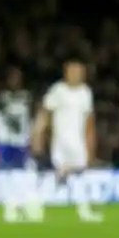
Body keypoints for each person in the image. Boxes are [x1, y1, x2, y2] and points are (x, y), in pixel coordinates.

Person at [32, 59, 102, 222]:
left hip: (79, 143)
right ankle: (37, 205)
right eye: (73, 71)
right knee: (59, 175)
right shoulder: (58, 91)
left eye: (80, 72)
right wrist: (39, 137)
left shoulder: (86, 93)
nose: (77, 75)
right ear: (66, 73)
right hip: (61, 142)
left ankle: (84, 211)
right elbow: (44, 114)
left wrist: (90, 146)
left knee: (80, 176)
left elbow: (89, 122)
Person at [0, 66, 41, 222]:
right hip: (6, 141)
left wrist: (32, 134)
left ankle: (25, 204)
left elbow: (34, 115)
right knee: (6, 174)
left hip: (22, 141)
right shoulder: (1, 97)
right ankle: (10, 206)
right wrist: (0, 134)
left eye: (17, 77)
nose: (14, 80)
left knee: (24, 174)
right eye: (12, 77)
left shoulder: (27, 97)